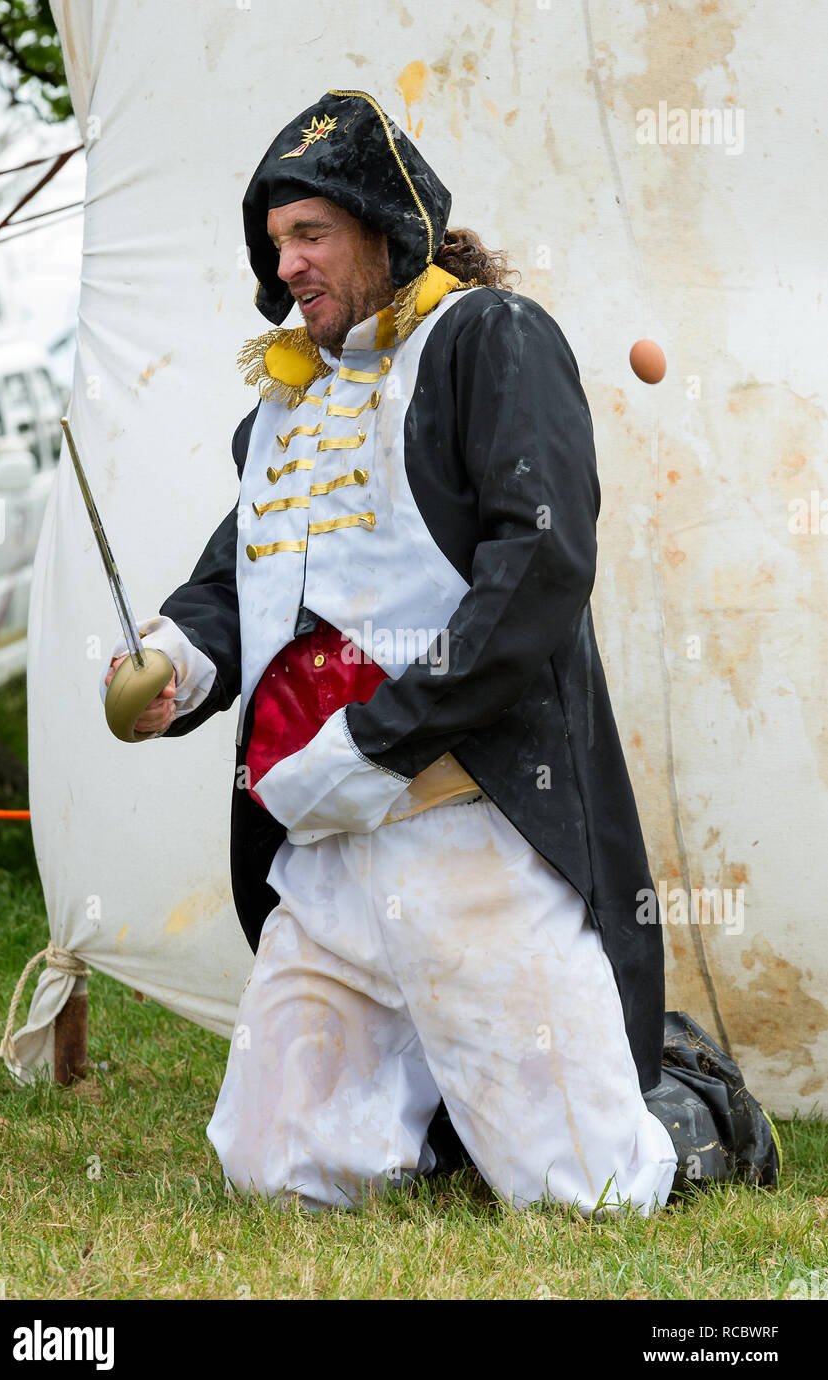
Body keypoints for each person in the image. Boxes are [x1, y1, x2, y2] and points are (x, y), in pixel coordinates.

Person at [101, 90, 771, 1215]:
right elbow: (242, 579)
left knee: (585, 1194)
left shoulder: (491, 342)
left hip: (469, 828)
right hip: (325, 845)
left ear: (380, 226)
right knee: (280, 1175)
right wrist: (175, 656)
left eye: (311, 233)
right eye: (276, 243)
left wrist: (375, 739)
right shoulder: (282, 408)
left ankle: (691, 1104)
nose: (290, 263)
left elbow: (539, 572)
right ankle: (445, 1104)